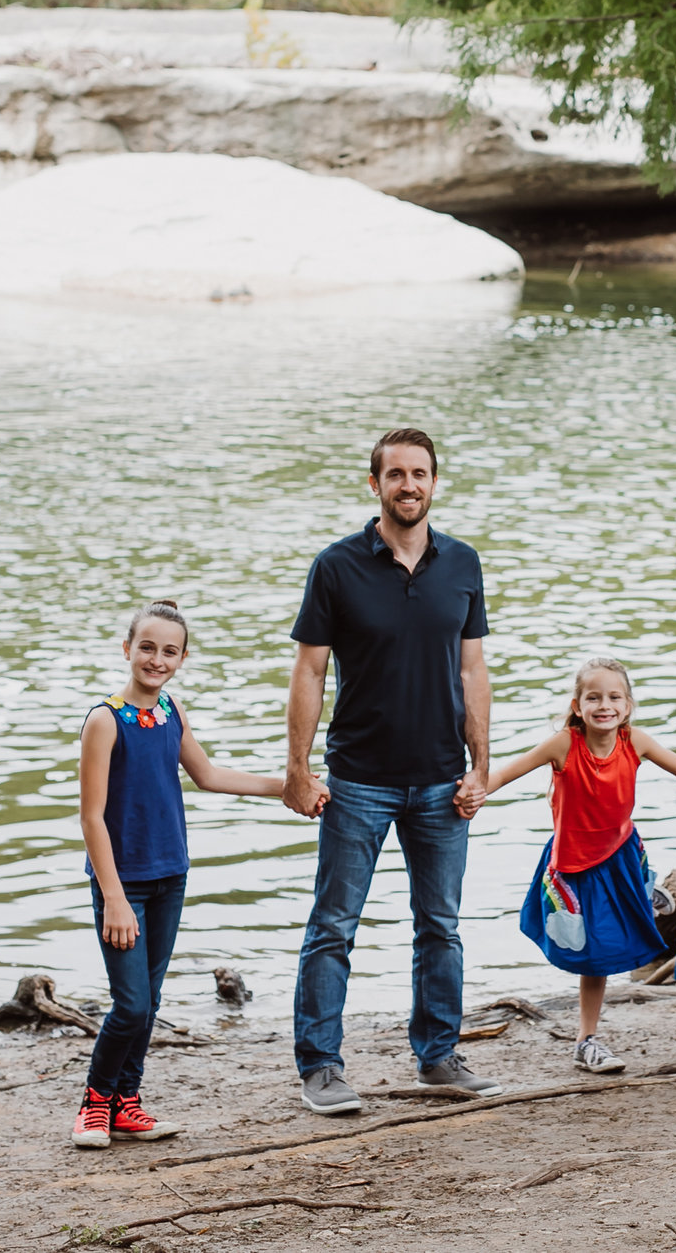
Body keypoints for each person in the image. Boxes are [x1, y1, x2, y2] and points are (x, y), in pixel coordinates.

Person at [282, 427, 497, 1116]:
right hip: (358, 779)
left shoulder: (462, 563)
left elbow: (472, 668)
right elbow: (310, 670)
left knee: (440, 924)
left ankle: (438, 1055)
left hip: (442, 781)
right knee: (333, 926)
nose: (409, 484)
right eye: (396, 474)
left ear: (435, 482)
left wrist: (481, 765)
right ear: (374, 484)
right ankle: (320, 1065)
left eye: (420, 473)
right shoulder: (336, 566)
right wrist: (297, 768)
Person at [75, 600, 287, 1150]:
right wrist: (114, 898)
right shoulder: (105, 719)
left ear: (182, 658)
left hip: (171, 875)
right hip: (123, 884)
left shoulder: (170, 712)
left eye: (170, 651)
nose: (157, 659)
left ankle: (128, 1103)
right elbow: (91, 817)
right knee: (132, 1003)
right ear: (128, 649)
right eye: (147, 647)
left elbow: (209, 775)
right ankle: (95, 1104)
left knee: (151, 998)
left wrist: (286, 787)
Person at [489, 657, 676, 1074]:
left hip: (621, 856)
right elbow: (508, 773)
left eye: (615, 696)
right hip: (576, 866)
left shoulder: (635, 742)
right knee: (591, 954)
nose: (605, 705)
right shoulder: (564, 744)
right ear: (577, 706)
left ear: (629, 704)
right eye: (594, 697)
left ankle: (643, 891)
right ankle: (588, 1040)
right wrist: (473, 792)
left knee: (610, 941)